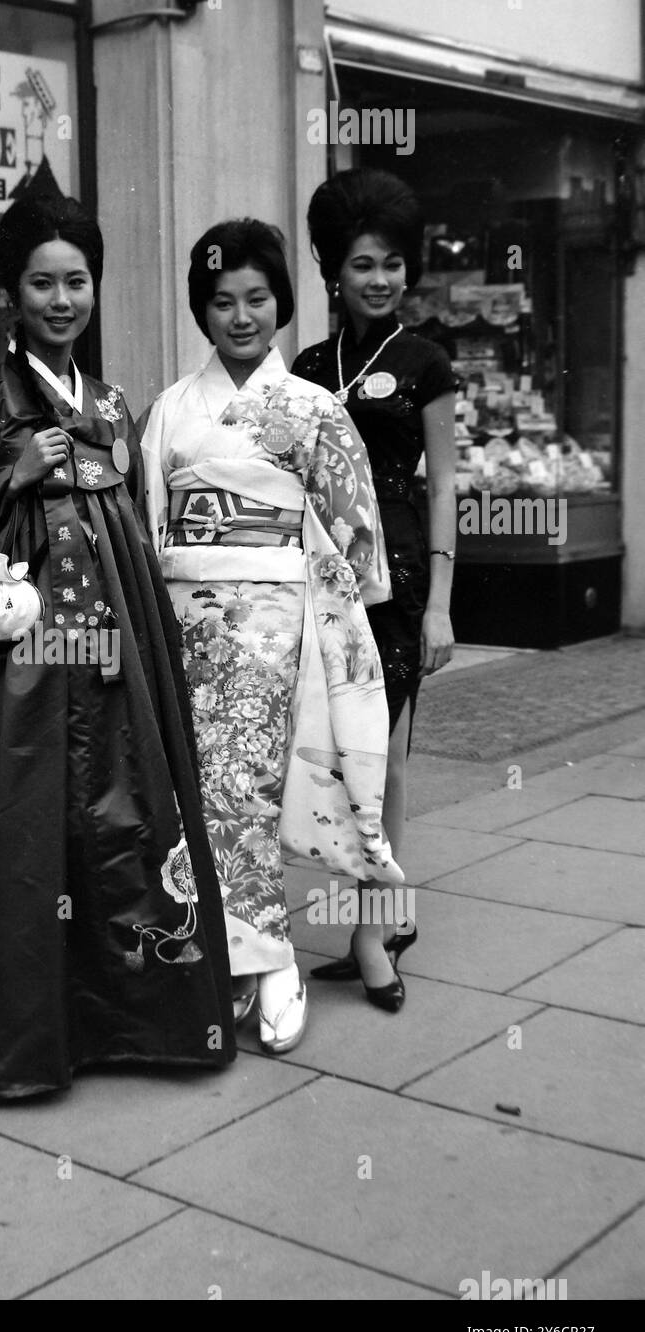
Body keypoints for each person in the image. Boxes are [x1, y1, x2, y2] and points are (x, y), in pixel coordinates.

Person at [0, 194, 235, 1102]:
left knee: (130, 811)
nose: (62, 300)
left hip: (115, 642)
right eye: (42, 283)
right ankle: (39, 1038)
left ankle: (136, 1016)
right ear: (12, 296)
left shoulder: (113, 404)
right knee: (30, 823)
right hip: (18, 662)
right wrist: (9, 476)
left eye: (77, 281)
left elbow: (128, 518)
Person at [139, 219, 403, 1047]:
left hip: (285, 627)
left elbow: (356, 544)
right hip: (190, 624)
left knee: (252, 789)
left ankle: (267, 960)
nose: (241, 317)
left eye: (257, 298)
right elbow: (149, 529)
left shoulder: (315, 409)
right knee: (204, 795)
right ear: (201, 310)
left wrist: (315, 611)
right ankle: (248, 960)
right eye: (223, 302)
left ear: (282, 303)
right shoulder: (171, 411)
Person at [293, 169, 458, 1010]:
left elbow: (441, 488)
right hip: (325, 587)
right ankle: (386, 914)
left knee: (386, 764)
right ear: (333, 270)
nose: (380, 278)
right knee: (336, 763)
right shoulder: (308, 366)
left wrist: (440, 603)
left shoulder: (428, 361)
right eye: (363, 263)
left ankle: (370, 934)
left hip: (397, 592)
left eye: (393, 262)